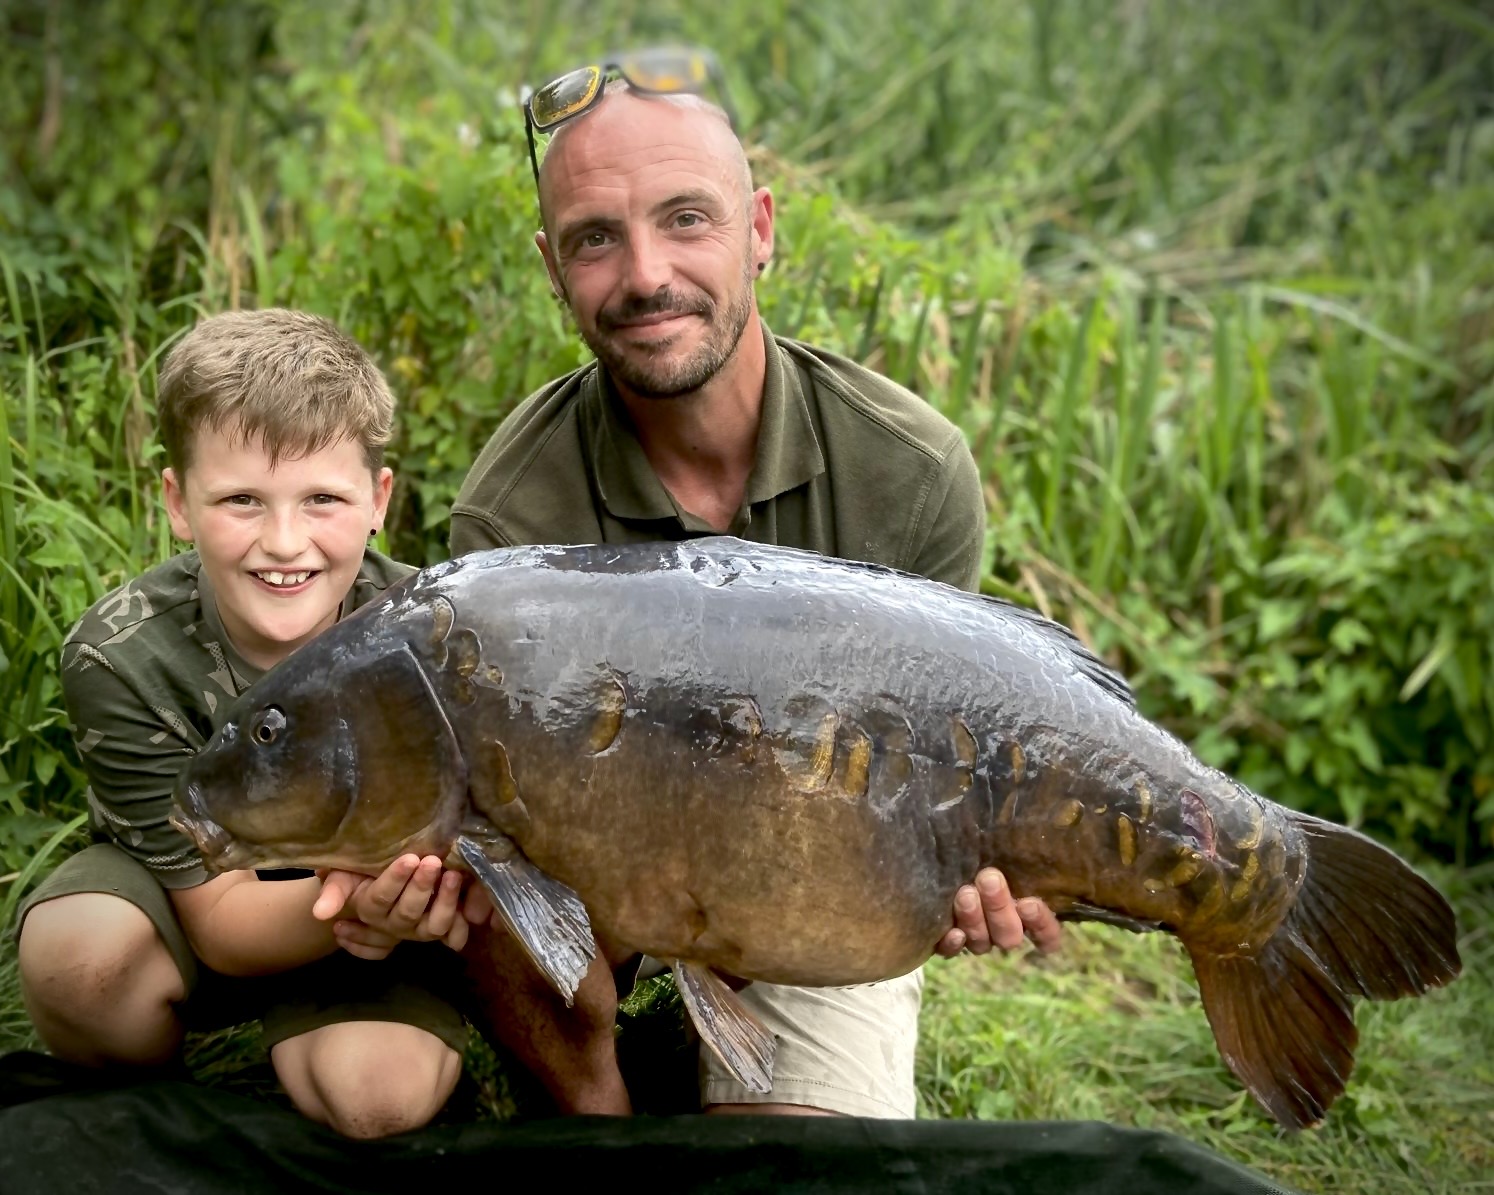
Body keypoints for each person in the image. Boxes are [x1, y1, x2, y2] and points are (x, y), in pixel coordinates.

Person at [446, 59, 1064, 1120]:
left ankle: (743, 1071)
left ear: (760, 229)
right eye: (596, 236)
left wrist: (975, 872)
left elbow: (936, 786)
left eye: (686, 219)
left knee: (801, 1158)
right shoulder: (511, 513)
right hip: (596, 886)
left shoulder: (909, 469)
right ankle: (598, 1121)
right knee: (485, 878)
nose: (645, 275)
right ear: (553, 267)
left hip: (818, 877)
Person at [16, 309, 470, 1140]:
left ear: (379, 500)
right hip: (203, 908)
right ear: (177, 503)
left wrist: (391, 913)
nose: (284, 541)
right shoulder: (120, 654)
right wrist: (355, 905)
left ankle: (346, 1035)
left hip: (383, 933)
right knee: (79, 958)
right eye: (241, 501)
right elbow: (222, 925)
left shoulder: (440, 630)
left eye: (322, 498)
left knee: (376, 1103)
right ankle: (156, 1113)